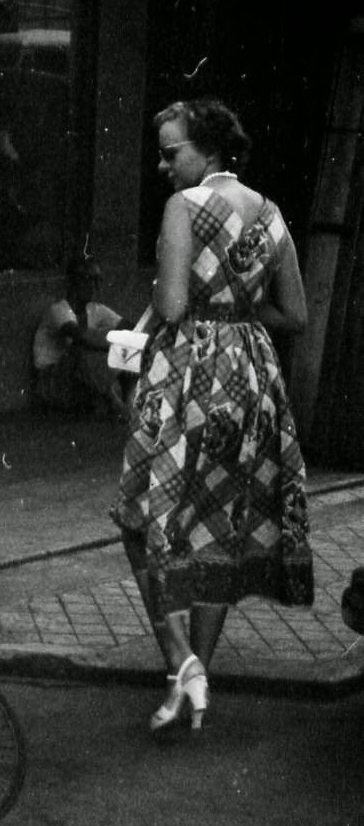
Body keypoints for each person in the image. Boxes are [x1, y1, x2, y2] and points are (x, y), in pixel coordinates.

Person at [111, 98, 312, 734]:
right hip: (251, 379)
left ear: (208, 150)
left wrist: (173, 301)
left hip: (187, 376)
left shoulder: (184, 207)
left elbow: (170, 306)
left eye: (173, 154)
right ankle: (192, 680)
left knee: (145, 515)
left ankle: (180, 660)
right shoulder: (271, 214)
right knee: (219, 524)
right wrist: (238, 316)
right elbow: (296, 316)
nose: (165, 166)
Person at [32, 253, 130, 417]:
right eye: (86, 278)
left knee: (130, 351)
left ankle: (127, 403)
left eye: (97, 280)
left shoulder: (96, 310)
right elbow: (82, 338)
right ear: (72, 281)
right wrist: (118, 343)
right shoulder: (58, 310)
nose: (93, 286)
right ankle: (116, 404)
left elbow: (133, 327)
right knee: (81, 350)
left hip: (78, 383)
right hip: (52, 383)